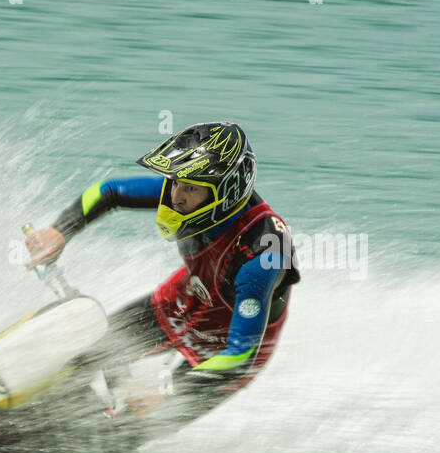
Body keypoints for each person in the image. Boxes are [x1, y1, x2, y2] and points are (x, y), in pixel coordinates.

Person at [22, 121, 299, 431]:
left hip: (224, 352)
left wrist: (167, 394)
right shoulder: (186, 194)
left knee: (130, 430)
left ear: (226, 193)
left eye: (190, 188)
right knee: (86, 356)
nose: (176, 197)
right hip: (183, 301)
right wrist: (60, 231)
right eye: (175, 182)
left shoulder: (263, 254)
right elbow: (109, 192)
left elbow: (241, 354)